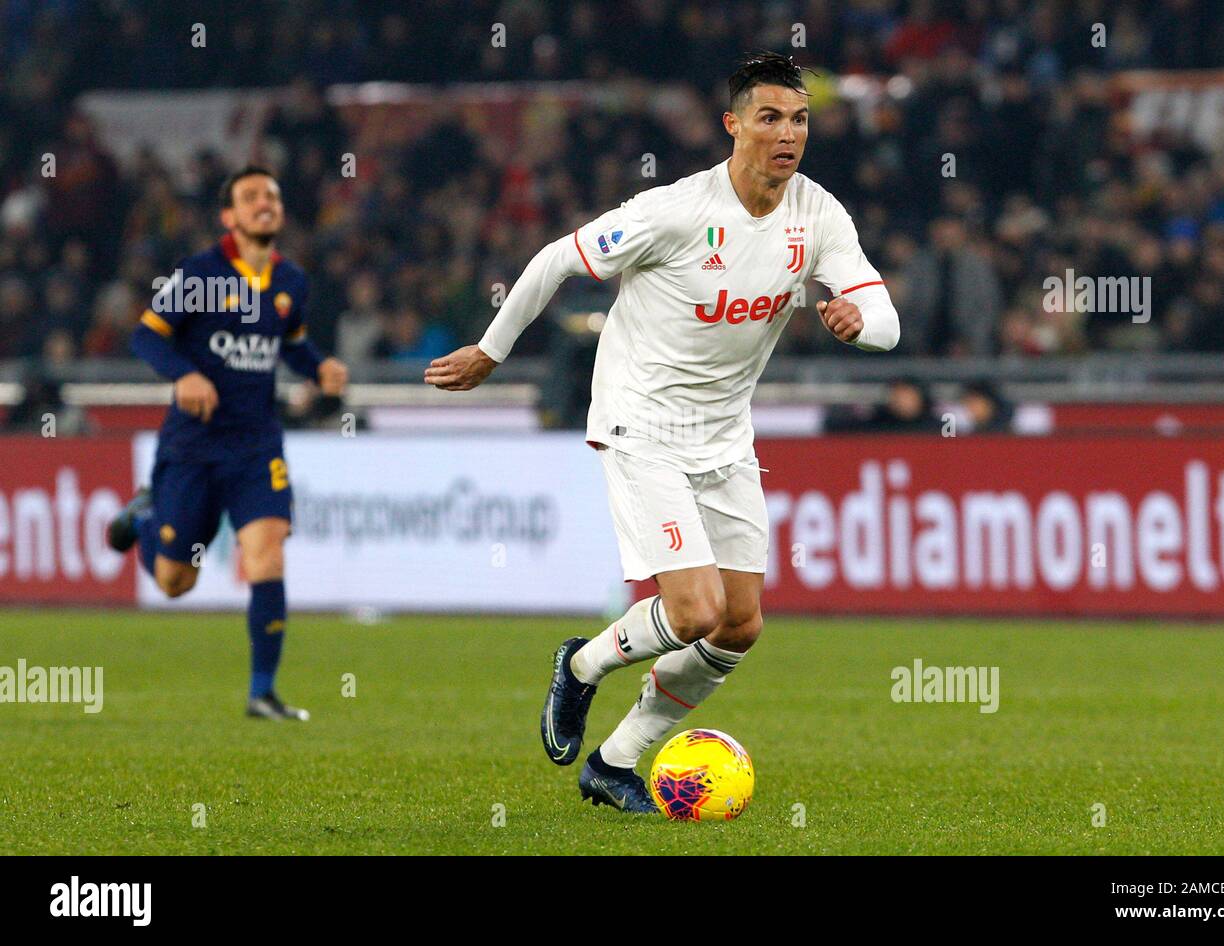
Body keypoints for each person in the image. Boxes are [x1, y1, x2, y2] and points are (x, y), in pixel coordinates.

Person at [425, 53, 900, 812]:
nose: (787, 134)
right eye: (770, 117)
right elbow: (557, 259)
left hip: (724, 436)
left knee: (739, 626)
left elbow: (886, 320)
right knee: (693, 612)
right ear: (734, 125)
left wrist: (858, 323)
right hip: (641, 421)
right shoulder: (675, 211)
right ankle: (581, 667)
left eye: (800, 119)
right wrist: (491, 350)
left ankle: (614, 763)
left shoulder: (818, 214)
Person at [107, 166, 348, 720]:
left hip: (256, 445)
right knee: (174, 581)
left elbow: (290, 345)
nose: (265, 203)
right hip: (192, 445)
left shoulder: (291, 281)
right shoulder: (200, 274)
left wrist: (319, 369)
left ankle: (262, 693)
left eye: (272, 195)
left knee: (266, 554)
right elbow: (146, 335)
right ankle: (144, 517)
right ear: (229, 216)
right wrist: (184, 377)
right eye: (250, 197)